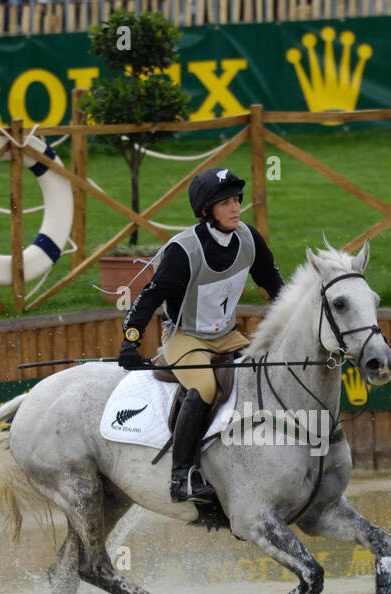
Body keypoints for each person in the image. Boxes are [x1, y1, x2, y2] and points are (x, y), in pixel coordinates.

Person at [118, 166, 285, 503]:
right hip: (185, 337)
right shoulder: (184, 251)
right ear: (206, 211)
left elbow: (273, 283)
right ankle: (182, 476)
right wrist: (131, 340)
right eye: (226, 203)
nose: (236, 207)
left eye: (237, 200)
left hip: (228, 335)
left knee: (267, 372)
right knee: (205, 386)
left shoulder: (249, 238)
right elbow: (149, 297)